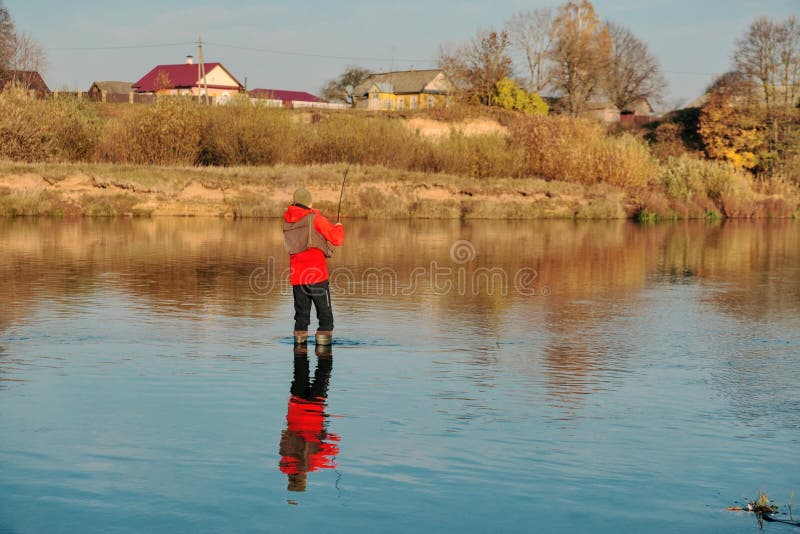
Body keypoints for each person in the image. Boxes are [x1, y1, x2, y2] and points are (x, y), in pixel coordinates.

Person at [283, 187, 345, 345]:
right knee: (325, 319)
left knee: (301, 318)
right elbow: (336, 239)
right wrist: (339, 226)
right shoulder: (315, 219)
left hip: (297, 278)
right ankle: (324, 357)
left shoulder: (288, 221)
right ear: (309, 202)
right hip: (317, 276)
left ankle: (299, 350)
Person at [278, 345, 339, 492]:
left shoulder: (314, 463)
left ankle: (324, 351)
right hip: (296, 408)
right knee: (300, 371)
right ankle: (302, 348)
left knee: (323, 372)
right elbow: (284, 435)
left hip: (316, 409)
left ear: (303, 478)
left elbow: (333, 444)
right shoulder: (285, 457)